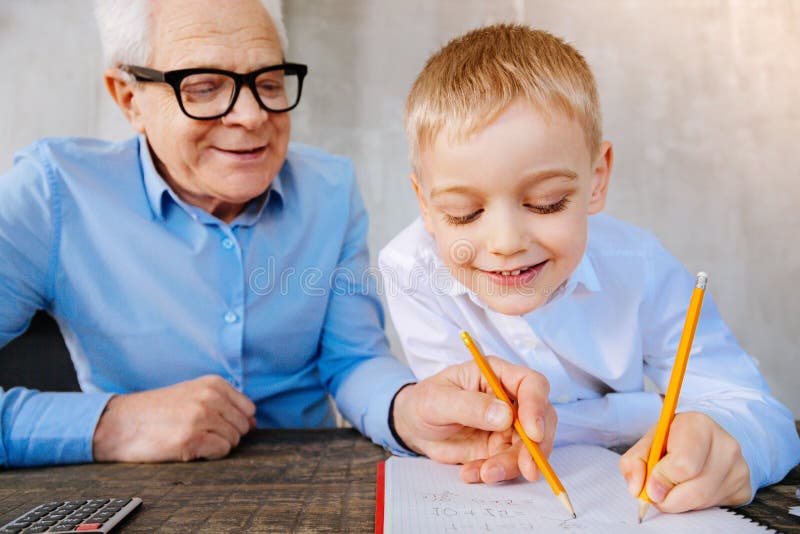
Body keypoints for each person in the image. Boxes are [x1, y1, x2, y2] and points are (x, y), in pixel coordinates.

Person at [0, 0, 557, 484]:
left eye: (268, 82)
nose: (252, 116)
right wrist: (111, 425)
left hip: (309, 485)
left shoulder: (330, 189)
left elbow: (353, 359)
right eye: (204, 86)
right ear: (129, 99)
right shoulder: (51, 194)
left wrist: (411, 407)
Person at [379, 23, 800, 512]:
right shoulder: (412, 269)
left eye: (547, 203)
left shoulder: (640, 267)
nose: (506, 243)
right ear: (425, 206)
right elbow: (476, 431)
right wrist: (645, 412)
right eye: (463, 214)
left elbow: (762, 413)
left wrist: (735, 443)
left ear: (597, 178)